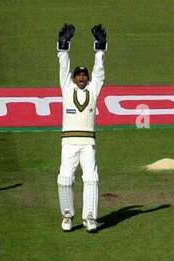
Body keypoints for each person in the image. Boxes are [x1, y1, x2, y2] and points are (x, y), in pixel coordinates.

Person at [56, 23, 106, 232]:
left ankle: (90, 218)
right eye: (79, 75)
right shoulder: (67, 89)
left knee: (91, 179)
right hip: (68, 142)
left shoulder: (94, 90)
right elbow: (64, 67)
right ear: (74, 78)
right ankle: (68, 216)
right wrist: (63, 46)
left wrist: (100, 48)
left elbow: (99, 72)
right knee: (65, 179)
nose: (82, 78)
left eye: (84, 75)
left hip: (88, 143)